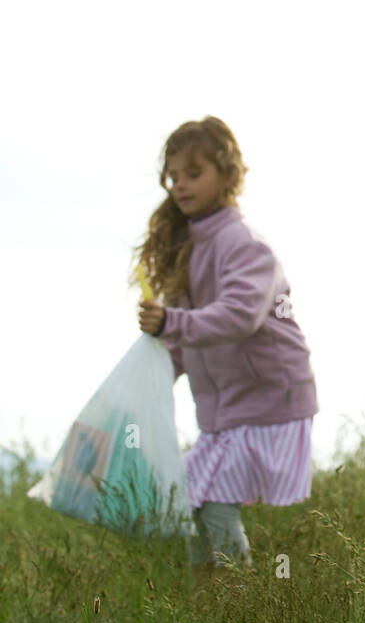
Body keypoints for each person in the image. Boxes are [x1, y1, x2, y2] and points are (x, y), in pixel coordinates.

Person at [133, 116, 318, 569]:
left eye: (193, 174)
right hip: (226, 411)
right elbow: (184, 340)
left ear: (227, 174)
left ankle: (241, 594)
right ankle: (213, 597)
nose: (180, 185)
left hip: (270, 403)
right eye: (174, 176)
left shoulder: (242, 244)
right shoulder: (189, 251)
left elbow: (238, 316)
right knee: (191, 502)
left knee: (212, 502)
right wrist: (151, 373)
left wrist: (170, 321)